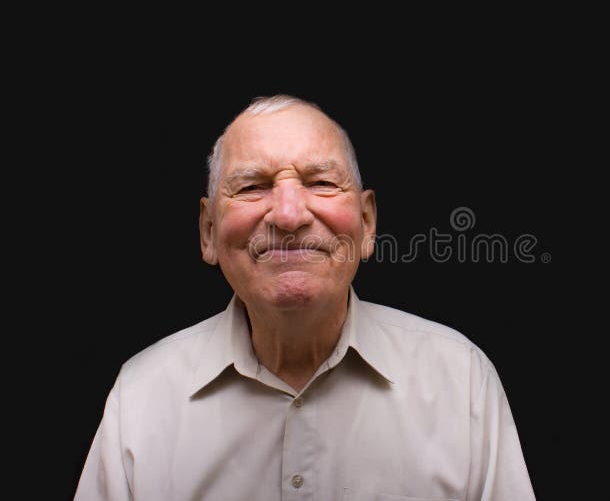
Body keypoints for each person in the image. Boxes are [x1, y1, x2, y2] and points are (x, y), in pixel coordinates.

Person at [74, 94, 535, 500]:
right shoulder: (140, 399)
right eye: (253, 186)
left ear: (368, 223)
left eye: (320, 182)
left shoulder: (461, 382)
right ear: (209, 231)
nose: (290, 215)